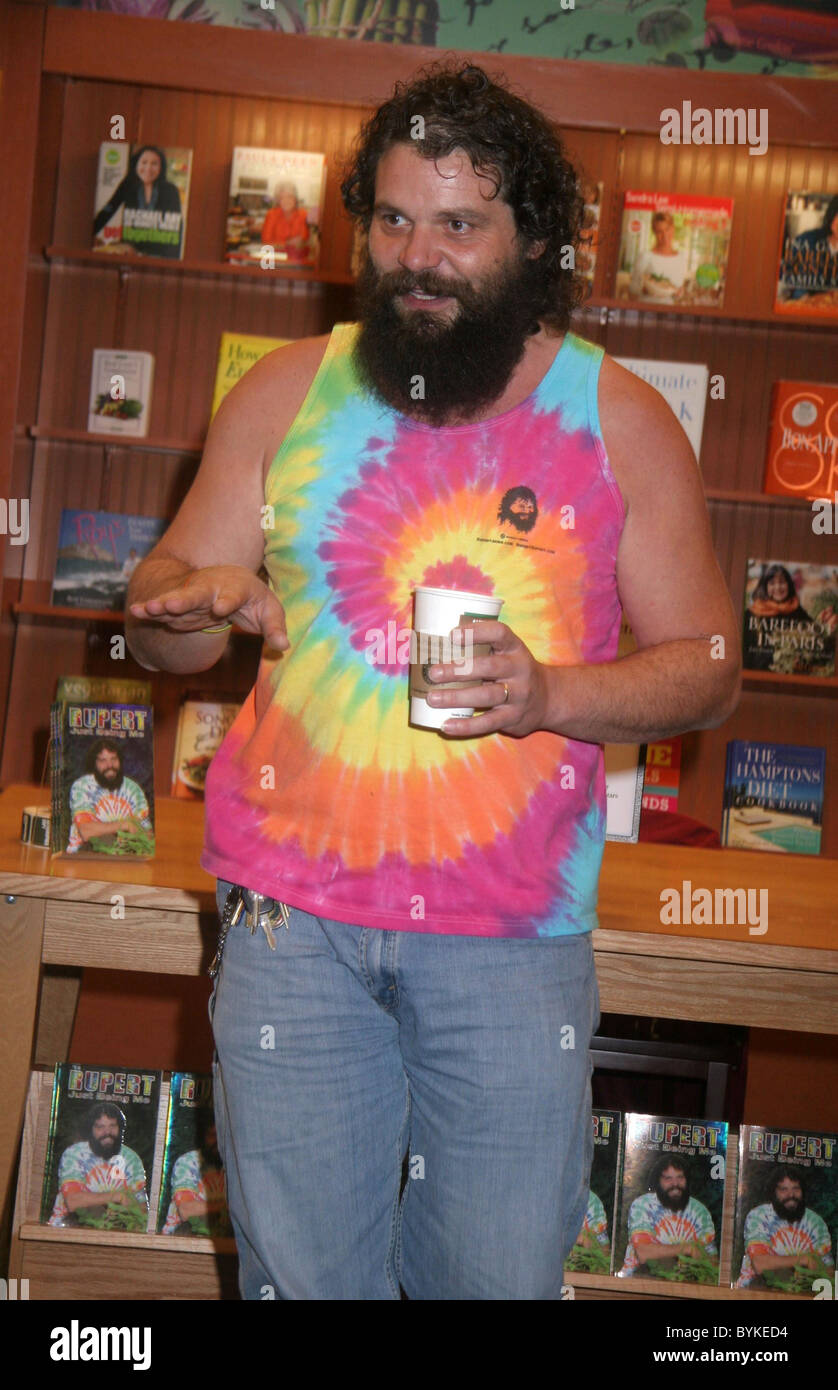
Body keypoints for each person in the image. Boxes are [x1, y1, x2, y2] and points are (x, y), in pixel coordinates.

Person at [125, 61, 740, 1300]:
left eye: (460, 225)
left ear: (534, 244)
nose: (421, 254)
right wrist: (186, 612)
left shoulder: (617, 418)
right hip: (288, 926)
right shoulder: (285, 391)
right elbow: (169, 627)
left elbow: (709, 670)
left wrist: (552, 695)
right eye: (395, 220)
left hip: (511, 946)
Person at [47, 1102, 148, 1227]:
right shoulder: (75, 1154)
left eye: (112, 1126)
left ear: (120, 1128)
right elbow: (73, 1202)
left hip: (117, 1231)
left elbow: (143, 1210)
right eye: (100, 1127)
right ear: (91, 1130)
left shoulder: (131, 1158)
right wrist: (117, 1197)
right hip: (68, 1227)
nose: (107, 1132)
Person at [617, 1156, 719, 1277]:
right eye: (668, 1178)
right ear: (658, 1182)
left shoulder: (699, 1211)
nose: (675, 1183)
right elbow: (643, 1253)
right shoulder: (643, 1205)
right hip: (639, 1278)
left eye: (680, 1177)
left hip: (686, 1282)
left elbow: (713, 1262)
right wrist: (687, 1249)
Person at [735, 1167, 834, 1288]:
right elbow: (759, 1264)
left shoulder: (816, 1222)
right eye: (783, 1189)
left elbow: (829, 1272)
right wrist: (803, 1260)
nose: (791, 1194)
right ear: (774, 1192)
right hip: (756, 1289)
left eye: (796, 1189)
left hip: (803, 1290)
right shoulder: (759, 1215)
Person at [93, 144, 184, 259]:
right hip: (130, 253)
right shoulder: (128, 185)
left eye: (154, 163)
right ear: (136, 164)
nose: (148, 168)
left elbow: (177, 229)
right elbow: (108, 209)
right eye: (144, 162)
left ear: (161, 167)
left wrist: (171, 262)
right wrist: (90, 233)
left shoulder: (170, 190)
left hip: (158, 256)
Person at [66, 738, 152, 853]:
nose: (110, 765)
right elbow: (86, 831)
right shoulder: (82, 786)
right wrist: (124, 825)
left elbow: (148, 835)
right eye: (103, 760)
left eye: (114, 759)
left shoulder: (133, 789)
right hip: (85, 855)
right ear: (94, 763)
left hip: (125, 856)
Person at [161, 1120, 230, 1236]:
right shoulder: (189, 1161)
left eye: (223, 1137)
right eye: (212, 1136)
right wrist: (230, 1207)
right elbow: (186, 1210)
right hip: (181, 1236)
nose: (217, 1142)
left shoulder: (237, 1164)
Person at [629, 209, 690, 303]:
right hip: (647, 308)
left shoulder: (681, 258)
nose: (665, 235)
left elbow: (677, 293)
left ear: (673, 229)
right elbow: (633, 287)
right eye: (659, 232)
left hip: (668, 312)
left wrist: (679, 293)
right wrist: (644, 290)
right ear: (654, 233)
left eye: (667, 229)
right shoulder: (646, 256)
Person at [260, 181, 310, 262]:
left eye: (290, 197)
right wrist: (288, 243)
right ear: (278, 200)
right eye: (282, 198)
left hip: (298, 262)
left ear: (295, 199)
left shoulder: (303, 214)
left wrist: (278, 244)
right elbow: (266, 244)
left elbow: (304, 242)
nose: (286, 200)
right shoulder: (271, 214)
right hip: (275, 260)